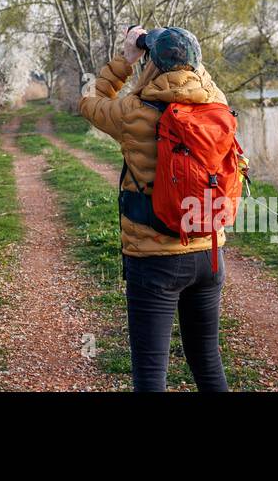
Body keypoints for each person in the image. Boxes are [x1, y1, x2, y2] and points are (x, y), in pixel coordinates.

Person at [79, 25, 231, 392]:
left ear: (152, 63)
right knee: (208, 361)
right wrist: (180, 48)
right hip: (207, 254)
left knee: (150, 373)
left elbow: (89, 100)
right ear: (196, 62)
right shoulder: (217, 103)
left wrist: (127, 58)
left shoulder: (134, 111)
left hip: (153, 257)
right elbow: (192, 78)